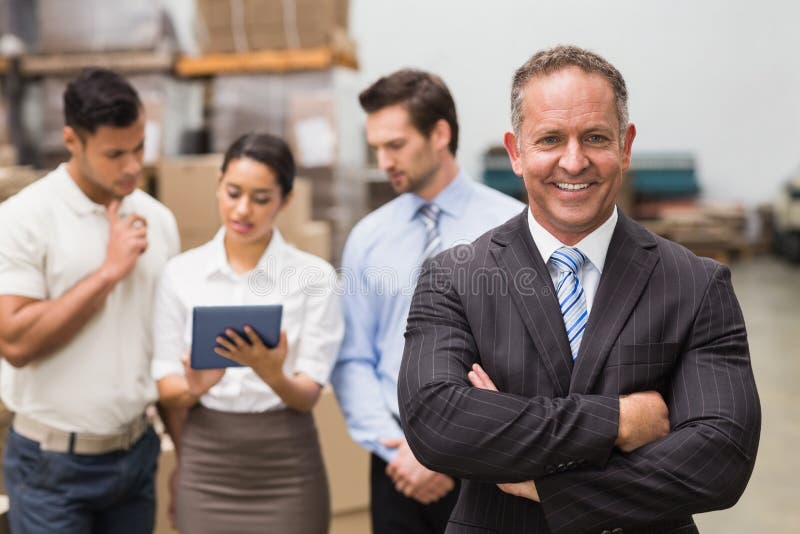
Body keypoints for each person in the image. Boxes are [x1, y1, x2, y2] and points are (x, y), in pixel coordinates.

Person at [398, 45, 761, 534]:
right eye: (550, 139)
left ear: (625, 146)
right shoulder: (454, 279)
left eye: (594, 137)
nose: (573, 162)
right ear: (516, 152)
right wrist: (619, 420)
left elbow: (721, 457)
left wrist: (547, 488)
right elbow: (437, 424)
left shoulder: (695, 284)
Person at [331, 69, 525, 534]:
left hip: (487, 462)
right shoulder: (368, 237)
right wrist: (397, 447)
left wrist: (451, 450)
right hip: (396, 464)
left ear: (440, 134)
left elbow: (527, 362)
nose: (384, 161)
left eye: (395, 145)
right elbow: (354, 357)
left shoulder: (513, 228)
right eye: (376, 148)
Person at [0, 67, 179, 533]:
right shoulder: (22, 220)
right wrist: (109, 272)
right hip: (51, 469)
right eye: (115, 154)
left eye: (140, 147)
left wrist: (187, 460)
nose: (132, 166)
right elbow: (15, 342)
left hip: (136, 457)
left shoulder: (159, 221)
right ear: (72, 141)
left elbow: (165, 349)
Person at [151, 132, 344, 534]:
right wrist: (195, 388)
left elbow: (307, 395)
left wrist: (272, 374)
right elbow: (166, 385)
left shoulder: (314, 277)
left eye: (261, 198)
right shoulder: (180, 274)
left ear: (285, 200)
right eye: (233, 192)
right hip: (206, 461)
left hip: (287, 463)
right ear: (218, 184)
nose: (242, 209)